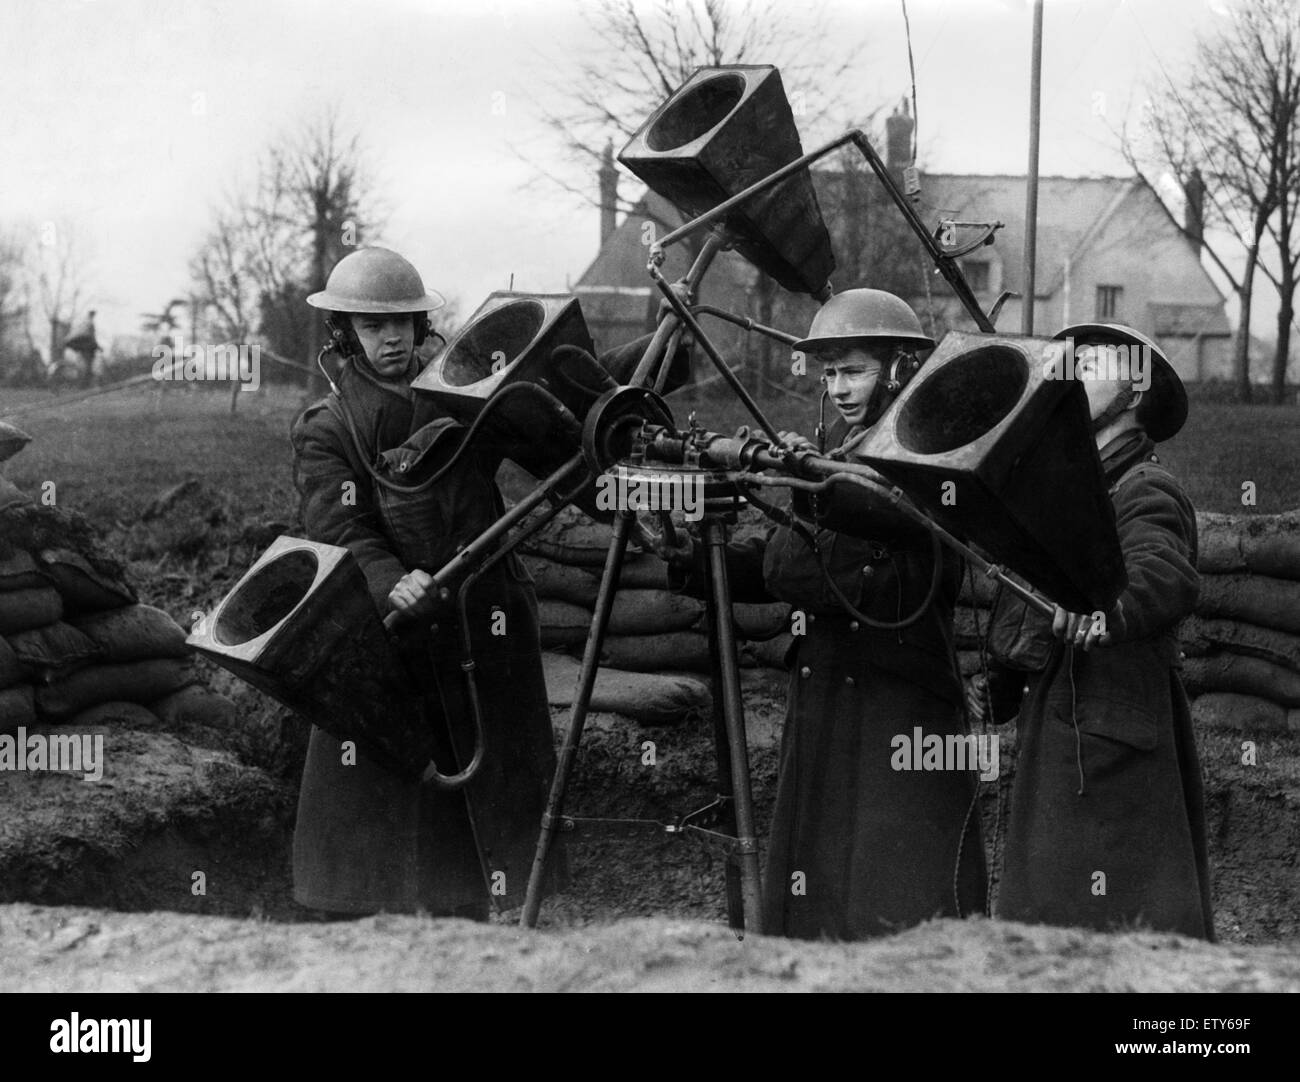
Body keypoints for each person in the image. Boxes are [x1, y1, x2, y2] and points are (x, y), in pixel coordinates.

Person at [660, 288, 987, 940]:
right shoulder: (835, 448)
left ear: (898, 367)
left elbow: (888, 526)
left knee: (900, 883)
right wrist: (690, 556)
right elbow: (798, 567)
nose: (838, 387)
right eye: (830, 371)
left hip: (903, 692)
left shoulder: (934, 447)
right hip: (829, 685)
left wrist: (805, 485)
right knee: (818, 871)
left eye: (855, 370)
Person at [970, 322, 1214, 940]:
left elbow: (1162, 574)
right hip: (1067, 718)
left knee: (1122, 925)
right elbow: (1027, 599)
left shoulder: (1145, 486)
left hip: (1113, 734)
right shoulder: (1079, 486)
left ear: (1134, 387)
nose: (1072, 370)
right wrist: (1001, 679)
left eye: (1096, 361)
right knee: (1054, 915)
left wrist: (1105, 612)